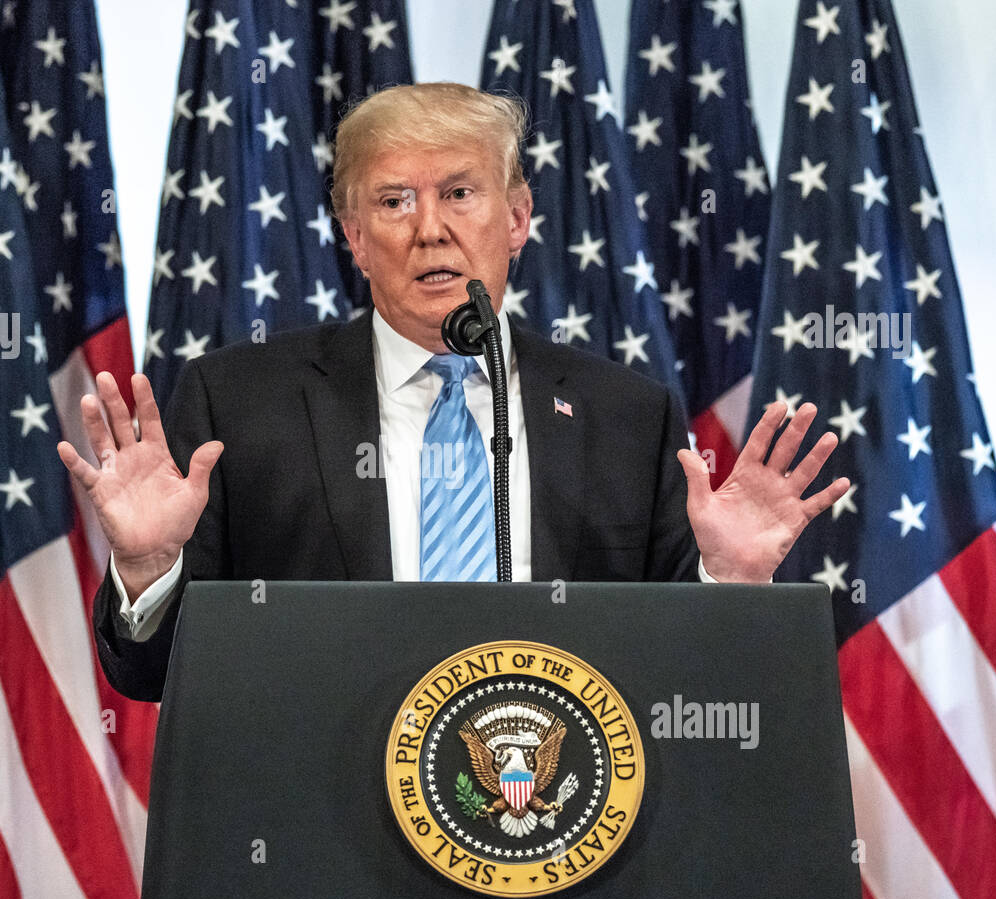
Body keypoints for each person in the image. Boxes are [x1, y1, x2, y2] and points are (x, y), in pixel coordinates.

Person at [56, 83, 849, 703]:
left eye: (460, 194)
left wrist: (730, 584)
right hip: (323, 850)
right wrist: (150, 567)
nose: (429, 228)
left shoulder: (626, 416)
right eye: (394, 200)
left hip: (558, 840)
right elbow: (154, 676)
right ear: (355, 238)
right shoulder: (239, 404)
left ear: (516, 218)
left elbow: (685, 678)